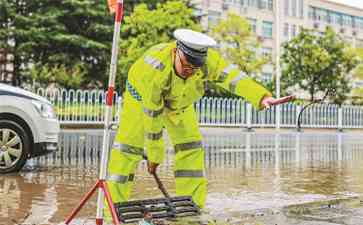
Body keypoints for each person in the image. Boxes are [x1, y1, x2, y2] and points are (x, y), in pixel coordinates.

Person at [106, 29, 294, 212]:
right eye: (186, 66)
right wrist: (155, 156)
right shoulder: (155, 70)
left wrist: (261, 97)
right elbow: (153, 118)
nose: (190, 71)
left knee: (190, 148)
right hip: (141, 100)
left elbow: (234, 78)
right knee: (127, 149)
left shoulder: (205, 62)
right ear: (175, 52)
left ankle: (192, 206)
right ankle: (112, 209)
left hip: (179, 103)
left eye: (195, 68)